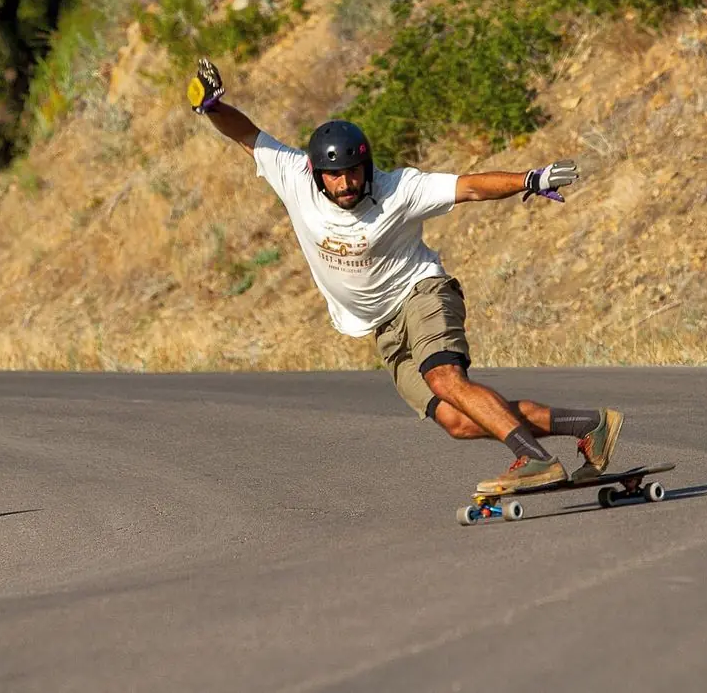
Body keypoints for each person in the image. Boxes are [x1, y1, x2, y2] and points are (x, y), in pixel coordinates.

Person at [188, 58, 624, 493]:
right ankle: (591, 425)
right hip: (383, 325)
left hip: (422, 293)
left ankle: (535, 459)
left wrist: (530, 178)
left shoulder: (399, 189)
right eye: (335, 176)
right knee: (457, 420)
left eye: (354, 173)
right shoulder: (296, 178)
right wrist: (211, 107)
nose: (346, 184)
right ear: (317, 175)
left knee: (445, 378)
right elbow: (247, 134)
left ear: (367, 165)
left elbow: (468, 186)